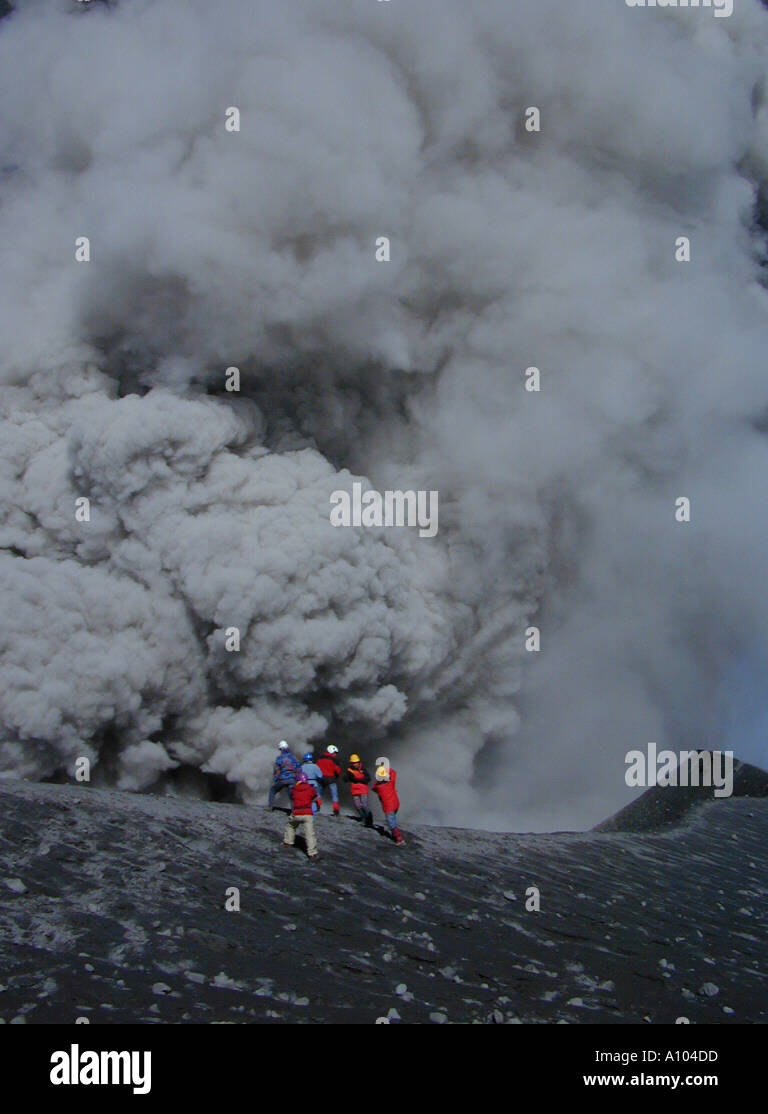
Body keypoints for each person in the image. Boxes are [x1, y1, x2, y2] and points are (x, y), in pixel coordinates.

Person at [282, 771, 320, 860]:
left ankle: (288, 842)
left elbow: (292, 797)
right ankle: (312, 853)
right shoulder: (310, 788)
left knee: (290, 826)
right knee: (310, 834)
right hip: (307, 814)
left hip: (297, 813)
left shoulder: (294, 789)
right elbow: (315, 797)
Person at [372, 764, 405, 846]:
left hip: (388, 808)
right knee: (392, 820)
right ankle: (398, 837)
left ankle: (399, 839)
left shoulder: (379, 787)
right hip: (396, 805)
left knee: (391, 824)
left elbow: (373, 787)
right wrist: (386, 769)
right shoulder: (391, 782)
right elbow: (393, 772)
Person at [269, 740, 301, 810]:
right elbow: (298, 769)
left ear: (281, 749)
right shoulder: (294, 758)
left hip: (282, 779)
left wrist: (275, 779)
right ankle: (293, 811)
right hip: (292, 780)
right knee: (292, 795)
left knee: (273, 790)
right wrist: (298, 779)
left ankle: (270, 807)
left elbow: (277, 770)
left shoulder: (279, 758)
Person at [344, 754, 373, 827]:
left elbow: (368, 778)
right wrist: (348, 778)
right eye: (354, 763)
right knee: (357, 806)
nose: (355, 764)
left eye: (356, 762)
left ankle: (369, 820)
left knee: (364, 805)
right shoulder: (349, 770)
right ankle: (363, 818)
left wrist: (358, 780)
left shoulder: (363, 769)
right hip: (355, 791)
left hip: (363, 790)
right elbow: (345, 778)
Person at [316, 744, 342, 816]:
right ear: (331, 752)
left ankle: (317, 806)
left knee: (318, 794)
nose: (335, 755)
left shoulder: (320, 758)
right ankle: (336, 810)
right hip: (331, 779)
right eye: (335, 753)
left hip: (321, 779)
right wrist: (336, 776)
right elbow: (338, 770)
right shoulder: (334, 760)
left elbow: (317, 768)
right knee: (334, 795)